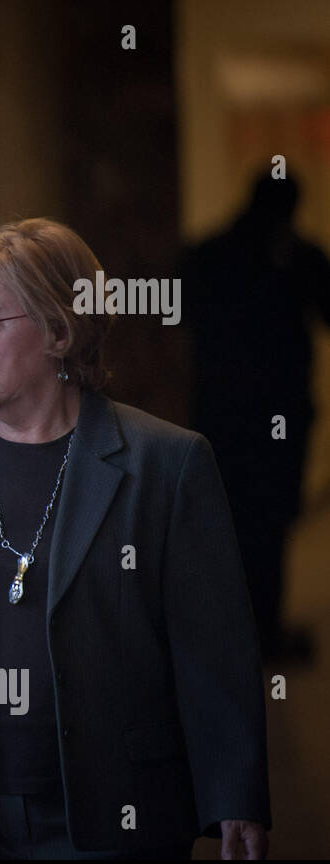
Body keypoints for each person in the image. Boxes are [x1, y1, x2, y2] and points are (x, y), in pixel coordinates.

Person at [0, 218, 271, 860]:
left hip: (117, 812)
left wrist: (235, 791)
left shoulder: (167, 463)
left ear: (60, 330)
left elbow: (211, 648)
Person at [184, 170, 330, 662]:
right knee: (266, 525)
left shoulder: (210, 256)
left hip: (224, 415)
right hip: (274, 417)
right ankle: (258, 630)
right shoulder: (294, 258)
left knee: (231, 521)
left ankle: (235, 631)